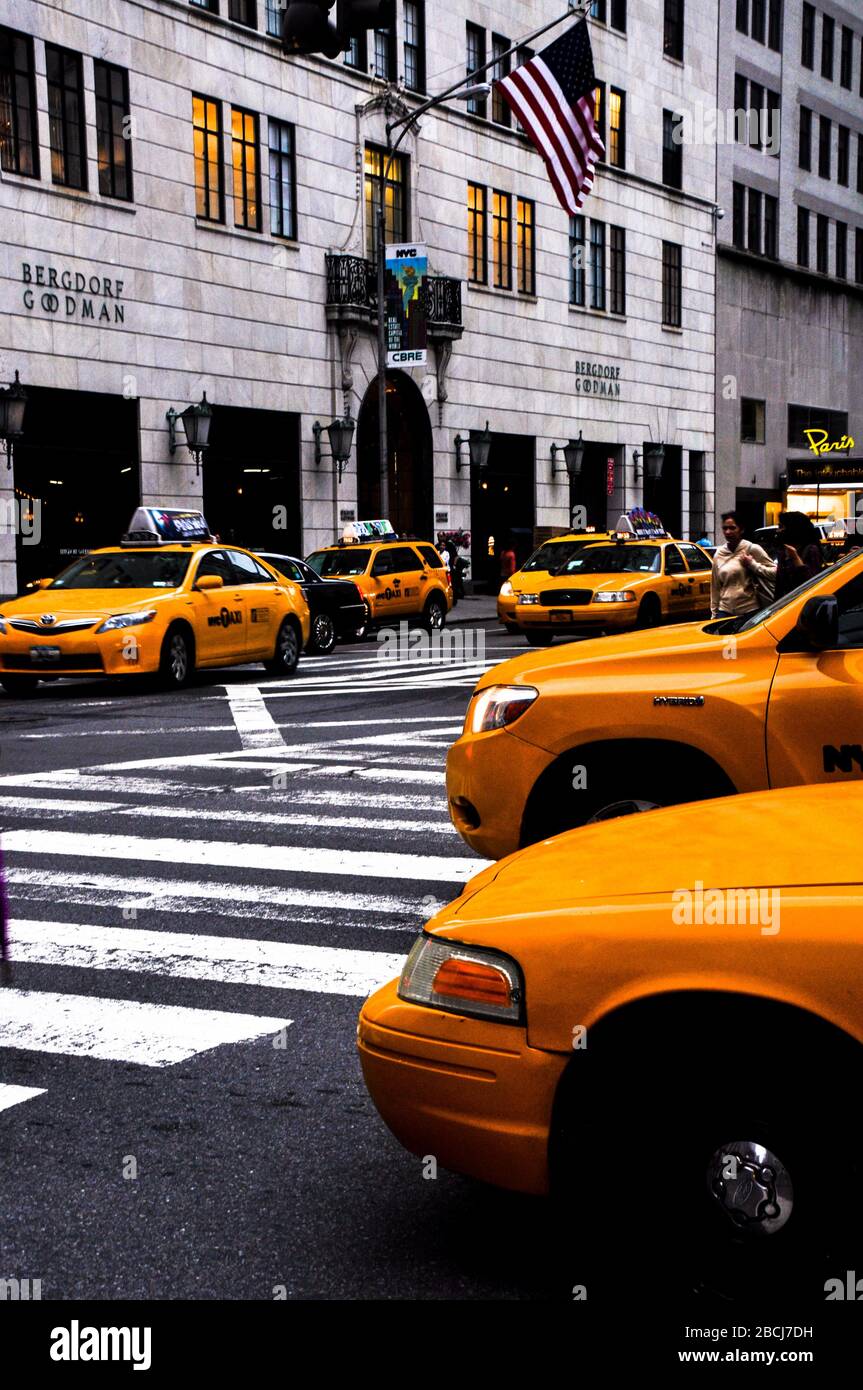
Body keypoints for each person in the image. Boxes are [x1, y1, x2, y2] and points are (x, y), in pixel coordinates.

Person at [710, 511, 777, 619]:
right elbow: (715, 586)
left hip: (750, 611)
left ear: (741, 529)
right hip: (725, 611)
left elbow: (775, 573)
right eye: (725, 528)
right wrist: (714, 613)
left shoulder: (752, 549)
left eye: (732, 528)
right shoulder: (719, 553)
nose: (728, 532)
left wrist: (753, 565)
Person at [773, 512, 823, 601]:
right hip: (784, 604)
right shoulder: (783, 551)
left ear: (792, 528)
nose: (778, 531)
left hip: (801, 604)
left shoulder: (810, 550)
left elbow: (810, 583)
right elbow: (779, 586)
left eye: (781, 527)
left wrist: (795, 558)